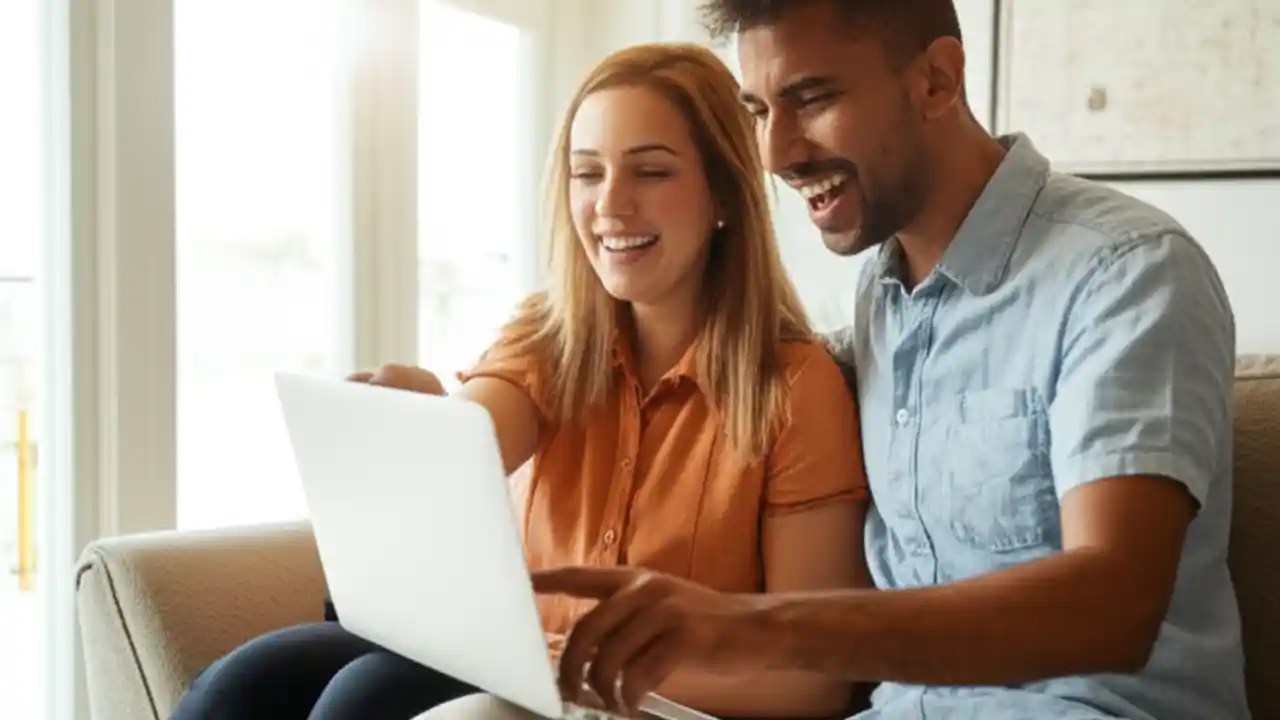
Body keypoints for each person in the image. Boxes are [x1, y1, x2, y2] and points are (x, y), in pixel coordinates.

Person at [517, 1, 1251, 719]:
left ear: (936, 80)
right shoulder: (880, 299)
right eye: (761, 112)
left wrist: (744, 626)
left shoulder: (1124, 272)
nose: (776, 155)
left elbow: (1111, 605)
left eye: (812, 97)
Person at [171, 42, 871, 720]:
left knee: (365, 701)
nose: (611, 205)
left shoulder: (794, 387)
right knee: (239, 687)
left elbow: (813, 682)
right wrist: (418, 423)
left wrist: (581, 668)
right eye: (588, 172)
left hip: (644, 700)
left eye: (651, 173)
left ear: (723, 193)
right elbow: (472, 437)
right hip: (515, 659)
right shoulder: (550, 333)